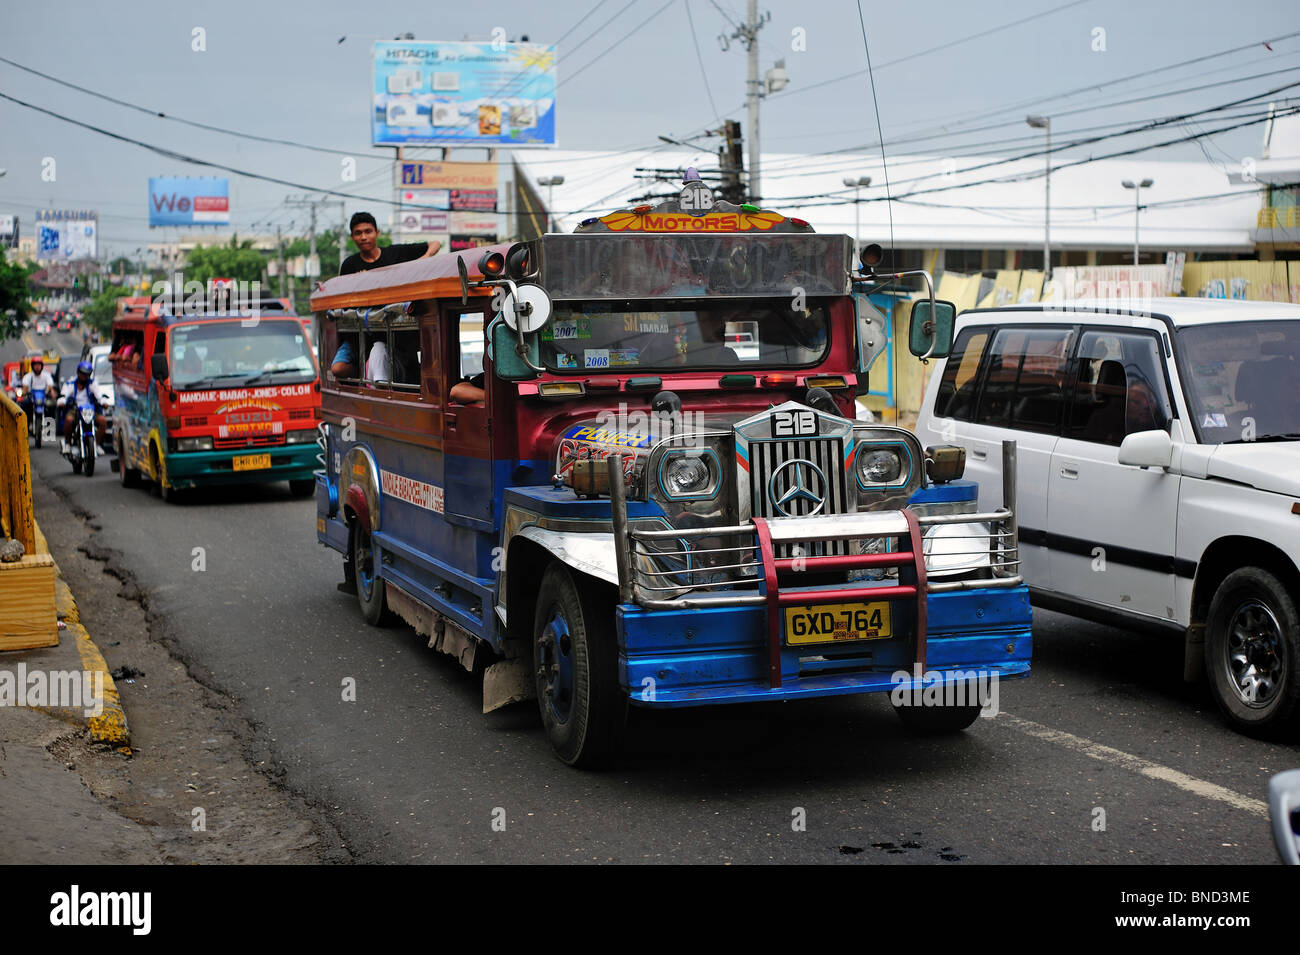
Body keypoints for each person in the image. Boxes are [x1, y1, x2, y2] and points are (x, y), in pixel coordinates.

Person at [339, 212, 441, 275]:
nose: (363, 237)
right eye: (358, 233)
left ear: (377, 233)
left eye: (368, 231)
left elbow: (435, 244)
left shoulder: (397, 252)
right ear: (352, 237)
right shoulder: (349, 265)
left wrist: (425, 258)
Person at [59, 360, 110, 452]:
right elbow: (64, 394)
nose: (84, 376)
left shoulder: (92, 383)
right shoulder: (71, 383)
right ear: (78, 372)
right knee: (69, 420)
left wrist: (104, 402)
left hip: (90, 410)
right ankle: (68, 444)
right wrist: (62, 401)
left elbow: (99, 395)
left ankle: (97, 445)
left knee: (103, 421)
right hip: (75, 410)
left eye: (86, 374)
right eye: (82, 374)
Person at [19, 357, 56, 425]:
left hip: (44, 397)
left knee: (52, 406)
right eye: (35, 365)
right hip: (31, 397)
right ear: (32, 366)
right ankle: (26, 424)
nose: (37, 367)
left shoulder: (46, 375)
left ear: (42, 366)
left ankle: (50, 425)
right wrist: (23, 393)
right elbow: (25, 388)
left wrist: (52, 394)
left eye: (39, 365)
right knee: (24, 404)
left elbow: (50, 387)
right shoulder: (28, 376)